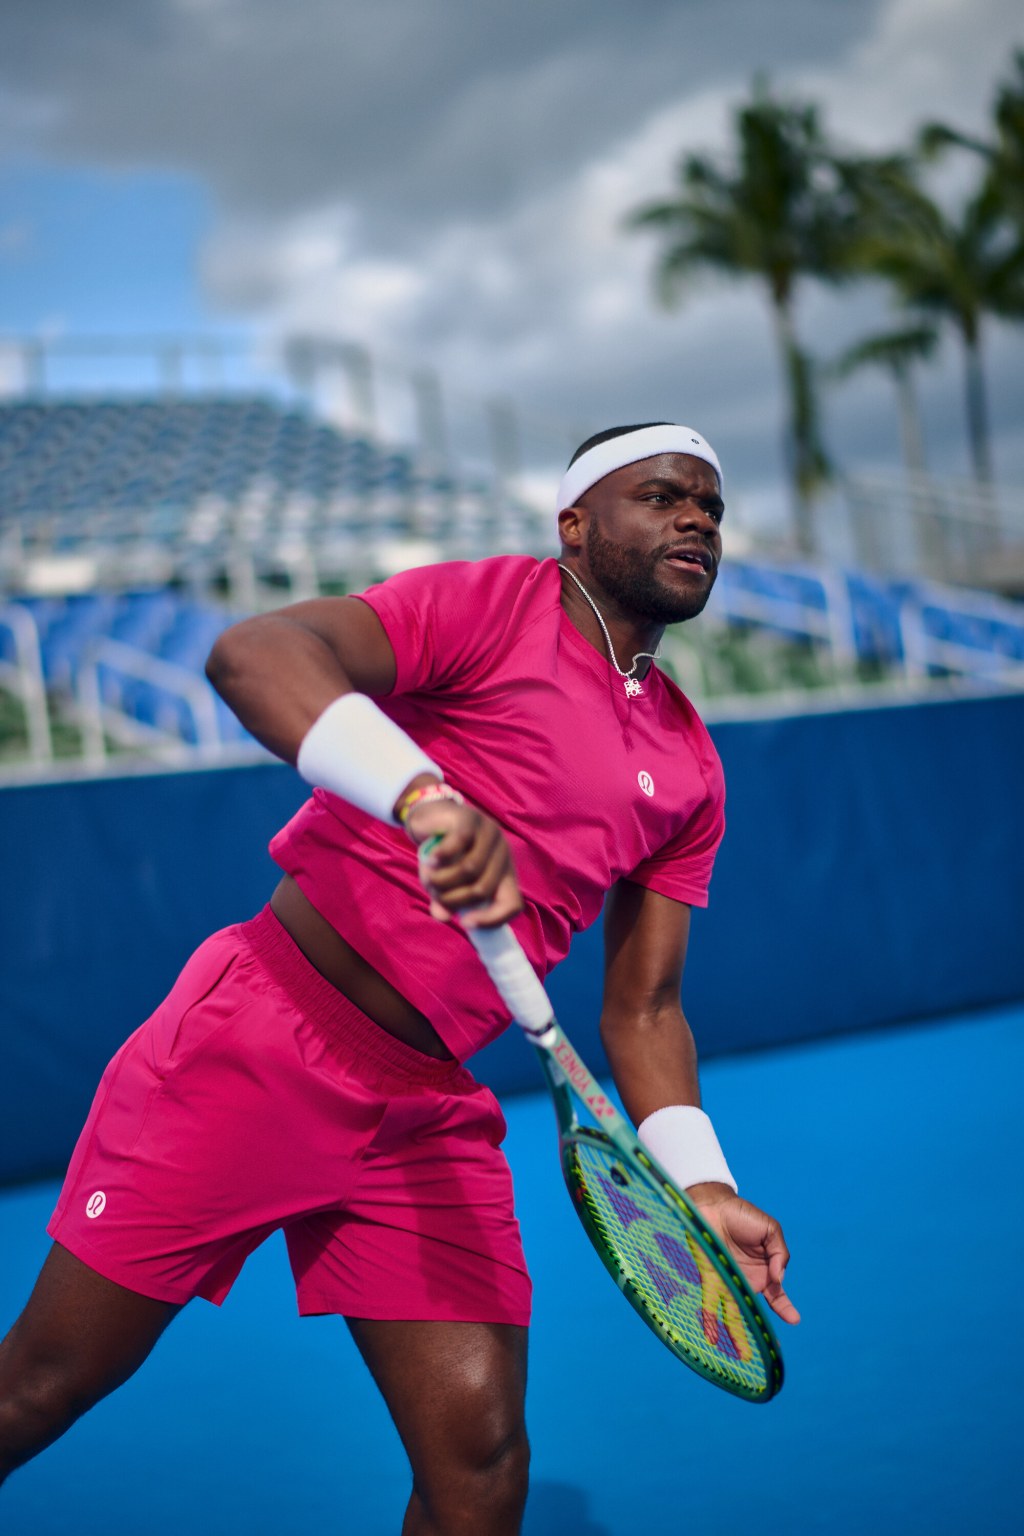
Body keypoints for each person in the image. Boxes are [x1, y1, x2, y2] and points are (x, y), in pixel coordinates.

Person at [0, 421, 799, 1534]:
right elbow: (253, 651)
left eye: (711, 507)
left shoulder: (692, 768)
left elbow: (645, 1005)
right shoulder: (490, 607)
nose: (697, 521)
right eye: (663, 496)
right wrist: (422, 797)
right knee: (42, 1387)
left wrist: (696, 1180)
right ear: (575, 524)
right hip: (255, 1042)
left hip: (423, 1112)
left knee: (480, 1464)